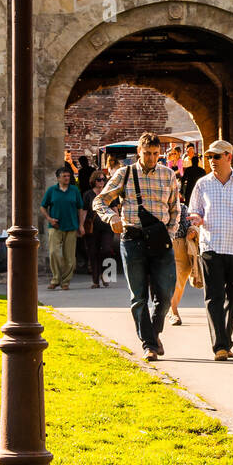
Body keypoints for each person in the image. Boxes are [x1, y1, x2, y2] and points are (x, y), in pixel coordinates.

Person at [92, 131, 179, 362]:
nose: (151, 158)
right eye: (147, 153)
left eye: (155, 154)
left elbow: (175, 210)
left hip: (160, 239)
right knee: (138, 296)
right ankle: (149, 344)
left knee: (166, 295)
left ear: (159, 153)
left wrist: (169, 234)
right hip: (133, 239)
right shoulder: (125, 173)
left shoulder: (168, 175)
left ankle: (153, 332)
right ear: (139, 152)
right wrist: (111, 217)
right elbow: (99, 200)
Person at [188, 139, 233, 360]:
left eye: (216, 157)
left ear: (229, 157)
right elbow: (193, 212)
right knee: (214, 296)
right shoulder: (202, 184)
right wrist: (197, 220)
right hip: (211, 246)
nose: (212, 161)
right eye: (209, 157)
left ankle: (226, 339)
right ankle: (219, 345)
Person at [40, 166, 86, 291]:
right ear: (58, 178)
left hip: (71, 226)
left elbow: (80, 208)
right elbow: (43, 207)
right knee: (54, 252)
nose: (67, 178)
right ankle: (55, 278)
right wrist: (49, 219)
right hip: (55, 226)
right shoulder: (52, 191)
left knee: (70, 256)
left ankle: (65, 282)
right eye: (64, 176)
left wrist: (81, 225)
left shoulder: (74, 190)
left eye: (68, 176)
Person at [167, 197, 194, 325]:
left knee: (180, 280)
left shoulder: (182, 208)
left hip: (180, 244)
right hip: (163, 243)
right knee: (171, 279)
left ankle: (171, 307)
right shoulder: (158, 207)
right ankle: (173, 310)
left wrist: (191, 231)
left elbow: (188, 224)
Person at [83, 171, 111, 289]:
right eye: (99, 180)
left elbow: (114, 207)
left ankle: (105, 275)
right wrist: (81, 225)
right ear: (94, 181)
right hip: (92, 227)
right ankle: (95, 280)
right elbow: (84, 211)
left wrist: (118, 221)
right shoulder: (88, 194)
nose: (101, 182)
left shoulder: (108, 193)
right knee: (93, 252)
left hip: (107, 226)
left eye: (103, 180)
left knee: (106, 250)